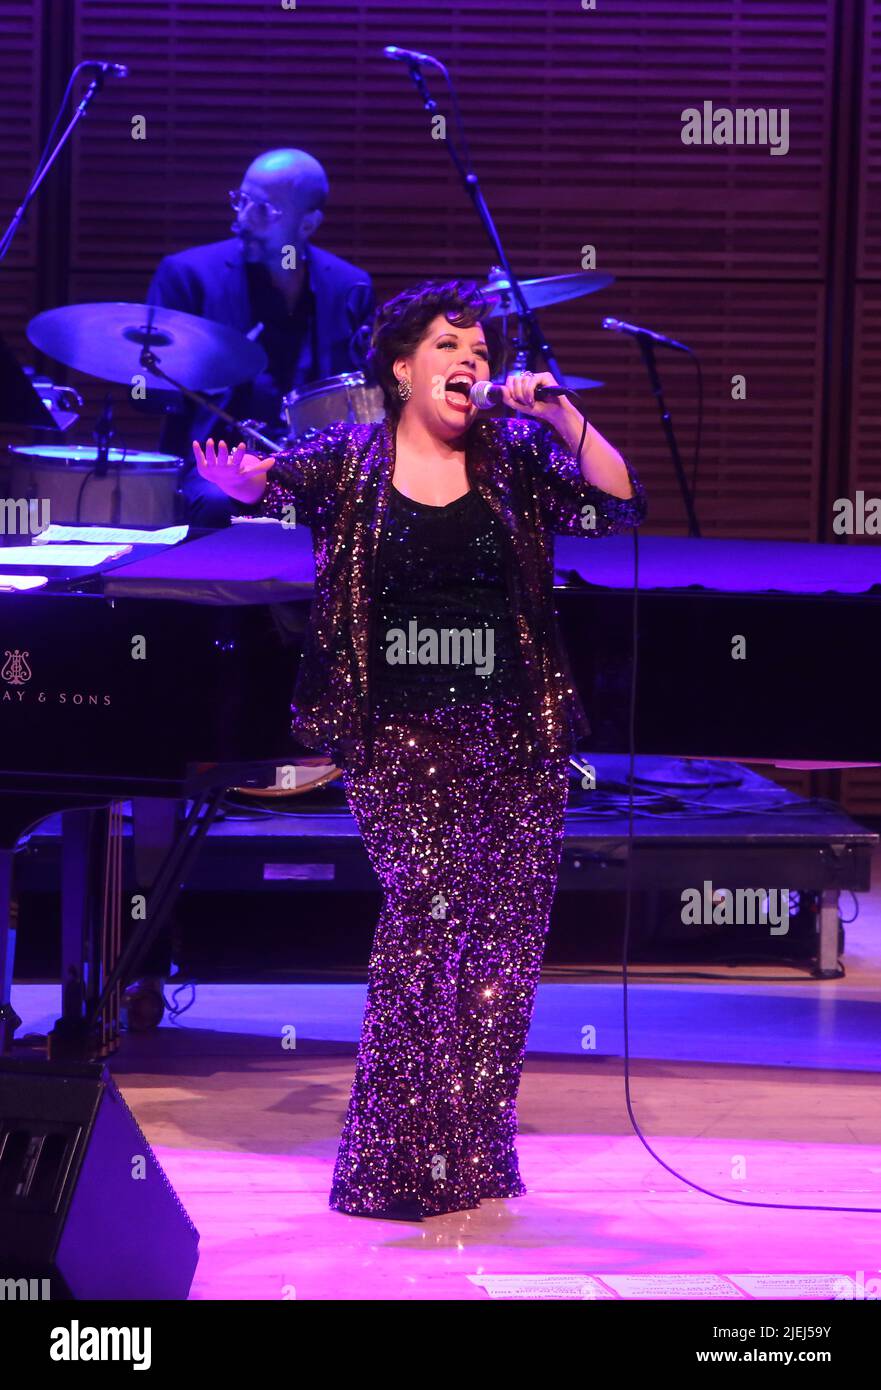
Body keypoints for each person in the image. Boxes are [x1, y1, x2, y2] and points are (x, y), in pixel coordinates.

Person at [192, 279, 647, 1220]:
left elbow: (616, 505)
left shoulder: (515, 456)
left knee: (503, 950)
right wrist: (238, 485)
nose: (469, 362)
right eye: (448, 346)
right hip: (396, 733)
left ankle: (473, 1157)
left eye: (479, 351)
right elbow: (261, 482)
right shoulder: (346, 460)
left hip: (518, 733)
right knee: (425, 922)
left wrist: (559, 410)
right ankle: (390, 1163)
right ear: (402, 369)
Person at [147, 148, 374, 526]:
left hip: (316, 463)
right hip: (218, 464)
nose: (242, 219)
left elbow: (369, 397)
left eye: (263, 210)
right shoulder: (187, 275)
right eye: (241, 200)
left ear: (307, 225)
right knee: (220, 503)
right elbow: (154, 393)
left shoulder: (349, 286)